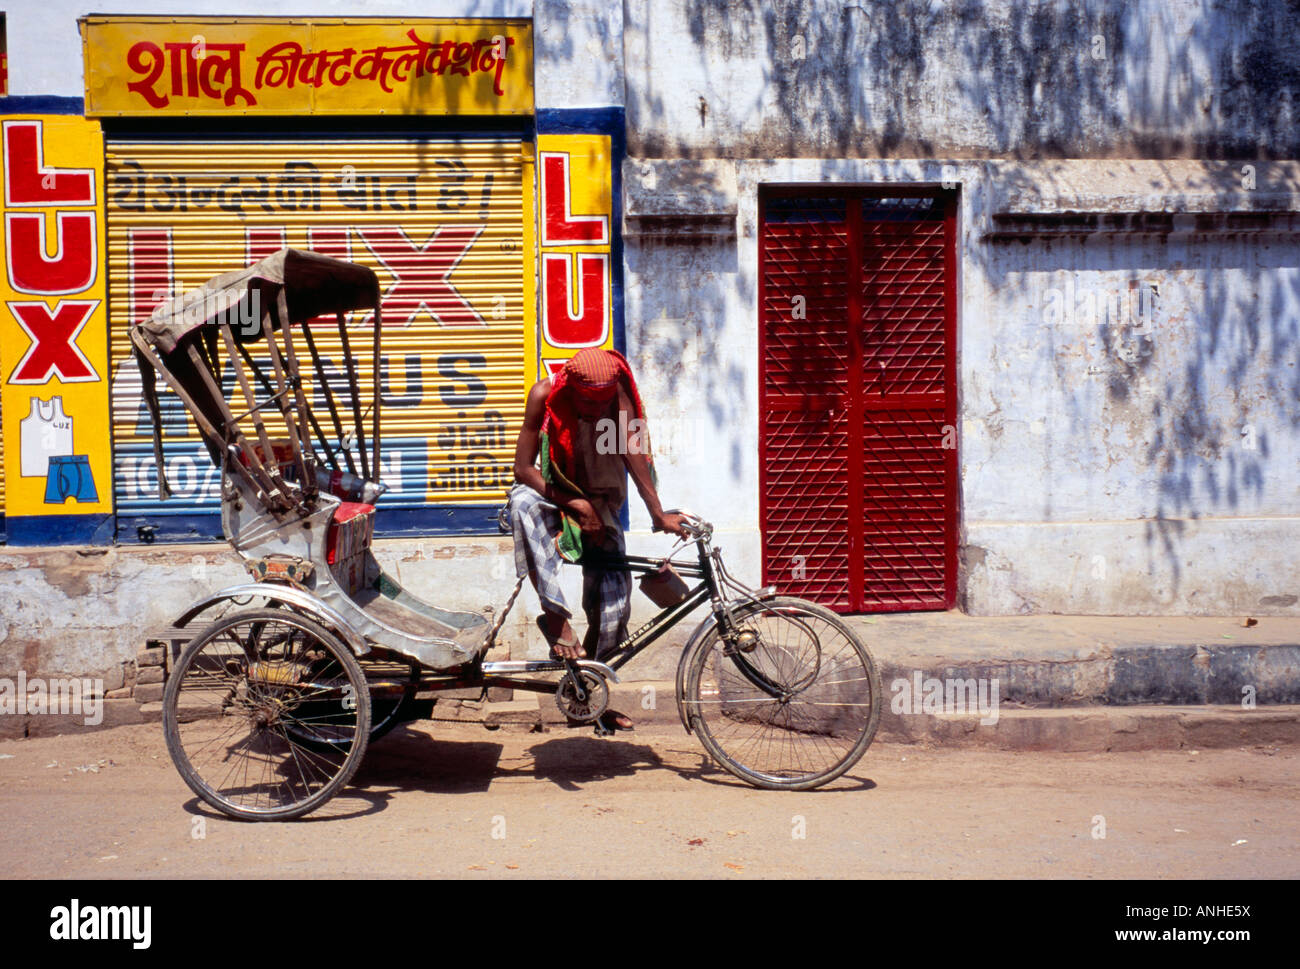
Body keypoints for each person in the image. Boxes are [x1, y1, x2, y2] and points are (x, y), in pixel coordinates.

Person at [508, 348, 689, 712]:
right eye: (587, 404)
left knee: (614, 609)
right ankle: (557, 619)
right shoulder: (544, 394)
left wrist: (657, 514)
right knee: (520, 505)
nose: (594, 412)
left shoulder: (618, 395)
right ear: (571, 387)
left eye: (600, 404)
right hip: (556, 494)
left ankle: (587, 693)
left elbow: (632, 452)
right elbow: (523, 469)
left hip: (602, 503)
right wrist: (574, 503)